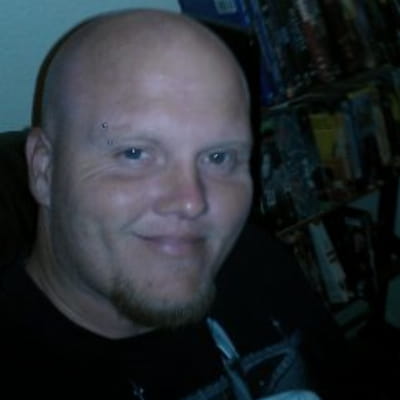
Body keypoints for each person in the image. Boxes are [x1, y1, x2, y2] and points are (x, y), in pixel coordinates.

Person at [0, 8, 369, 400]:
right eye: (134, 153)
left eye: (218, 157)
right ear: (44, 170)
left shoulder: (258, 262)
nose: (192, 203)